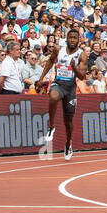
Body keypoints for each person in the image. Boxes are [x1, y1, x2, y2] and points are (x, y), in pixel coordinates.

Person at [41, 26, 87, 159]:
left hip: (71, 88)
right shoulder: (58, 49)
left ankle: (68, 143)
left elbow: (82, 76)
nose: (72, 40)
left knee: (68, 121)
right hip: (59, 83)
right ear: (66, 39)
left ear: (79, 40)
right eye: (70, 38)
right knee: (53, 97)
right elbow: (50, 61)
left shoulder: (81, 55)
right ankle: (51, 126)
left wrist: (74, 67)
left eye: (75, 38)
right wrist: (41, 78)